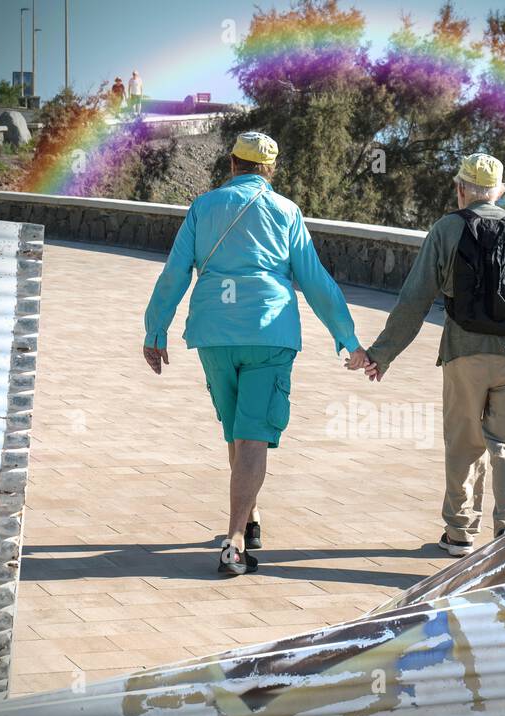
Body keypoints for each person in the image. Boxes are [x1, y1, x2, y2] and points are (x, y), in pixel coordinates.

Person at [143, 132, 369, 576]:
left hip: (214, 333)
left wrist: (156, 330)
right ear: (270, 170)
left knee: (235, 431)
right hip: (269, 332)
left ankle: (251, 516)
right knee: (251, 434)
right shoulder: (286, 212)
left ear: (232, 164)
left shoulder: (203, 207)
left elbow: (175, 273)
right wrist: (348, 337)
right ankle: (234, 540)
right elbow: (315, 278)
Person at [354, 152, 505, 557]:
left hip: (464, 353)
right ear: (499, 191)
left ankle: (460, 534)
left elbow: (414, 300)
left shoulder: (446, 229)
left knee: (464, 443)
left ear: (460, 189)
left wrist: (383, 353)